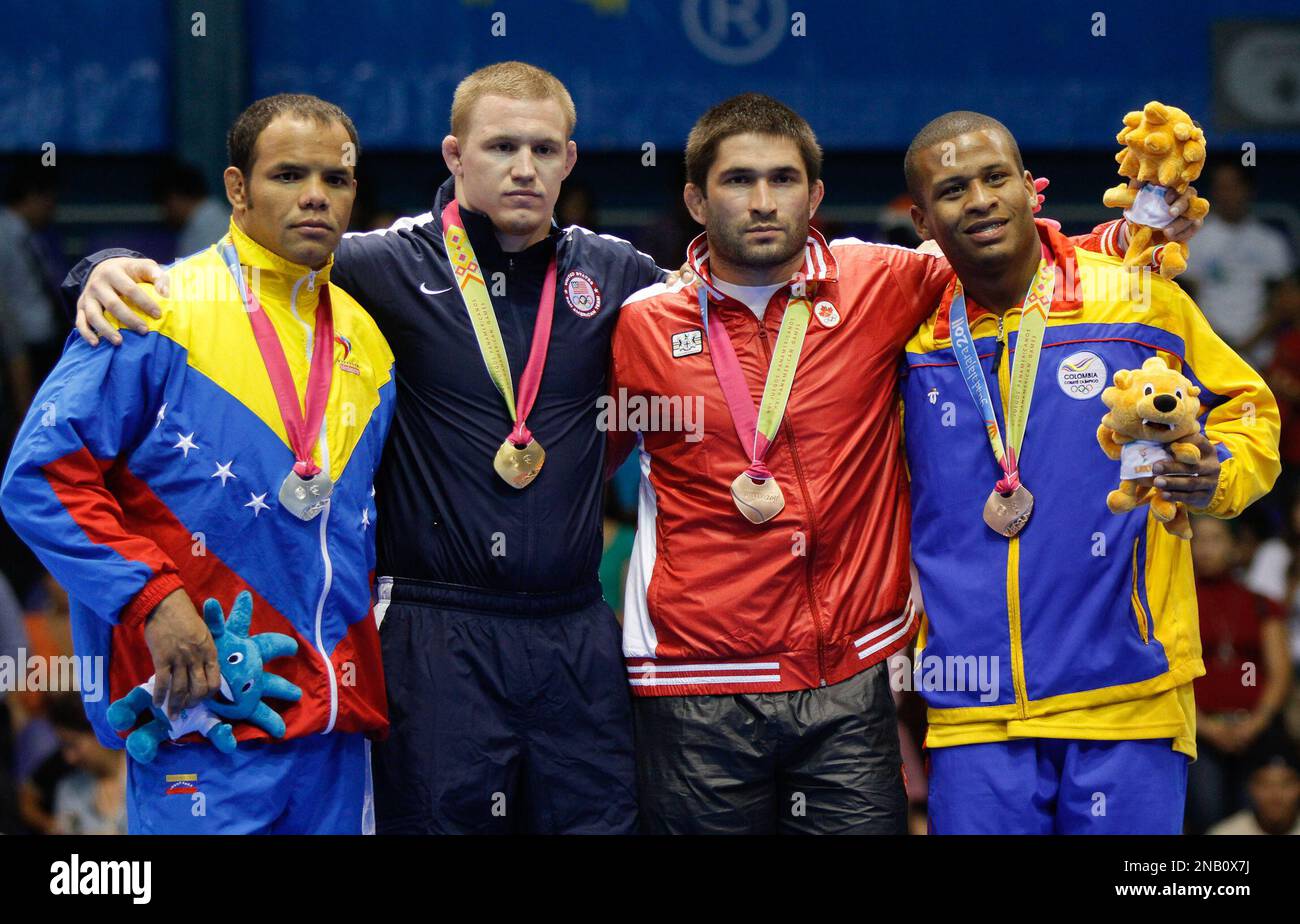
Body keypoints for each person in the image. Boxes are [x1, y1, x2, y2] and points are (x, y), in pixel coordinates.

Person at [69, 62, 670, 835]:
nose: (524, 167)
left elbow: (718, 308)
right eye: (500, 147)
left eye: (545, 150)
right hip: (434, 629)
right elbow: (244, 265)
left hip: (575, 627)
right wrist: (100, 271)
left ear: (571, 160)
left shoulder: (616, 272)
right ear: (454, 157)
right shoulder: (380, 264)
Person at [606, 94, 1160, 834]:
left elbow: (1008, 251)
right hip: (695, 680)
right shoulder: (640, 322)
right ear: (695, 201)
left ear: (817, 195)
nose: (764, 202)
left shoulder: (882, 281)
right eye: (738, 181)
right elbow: (579, 458)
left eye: (784, 179)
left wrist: (1134, 235)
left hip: (852, 677)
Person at [1, 93, 395, 834]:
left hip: (336, 731)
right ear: (237, 189)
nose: (315, 196)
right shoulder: (155, 306)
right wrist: (151, 598)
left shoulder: (369, 343)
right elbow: (39, 478)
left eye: (335, 180)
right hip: (203, 725)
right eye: (287, 175)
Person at [900, 111, 1280, 834]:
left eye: (994, 177)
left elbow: (1247, 408)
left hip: (1128, 691)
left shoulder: (1134, 301)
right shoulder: (910, 336)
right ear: (922, 218)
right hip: (972, 706)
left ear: (1030, 189)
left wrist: (1217, 470)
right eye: (952, 190)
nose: (979, 199)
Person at [1187, 515, 1292, 832]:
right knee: (1208, 821)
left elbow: (1280, 671)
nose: (1206, 549)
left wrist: (1256, 722)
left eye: (1216, 539)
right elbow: (1168, 674)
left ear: (1235, 547)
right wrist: (1205, 726)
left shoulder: (1260, 603)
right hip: (1199, 731)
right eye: (1199, 540)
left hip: (1256, 730)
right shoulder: (1175, 603)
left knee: (1256, 822)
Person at [1180, 159, 1295, 363]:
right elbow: (1186, 301)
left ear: (1249, 190)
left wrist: (1250, 342)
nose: (1228, 194)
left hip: (1260, 352)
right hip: (1210, 348)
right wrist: (1217, 339)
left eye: (1234, 187)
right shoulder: (1194, 240)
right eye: (1221, 187)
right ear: (1213, 192)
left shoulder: (1270, 242)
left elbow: (1286, 301)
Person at [45, 692, 128, 835]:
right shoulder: (68, 790)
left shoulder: (147, 780)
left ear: (99, 732)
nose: (68, 757)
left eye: (72, 744)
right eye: (63, 746)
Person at [1207, 746, 1300, 835]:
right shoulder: (1224, 832)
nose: (1275, 795)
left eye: (1285, 785)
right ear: (1251, 788)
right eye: (1265, 785)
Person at [154, 160, 234, 261]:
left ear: (174, 198)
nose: (165, 212)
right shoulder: (207, 218)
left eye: (165, 204)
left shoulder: (209, 225)